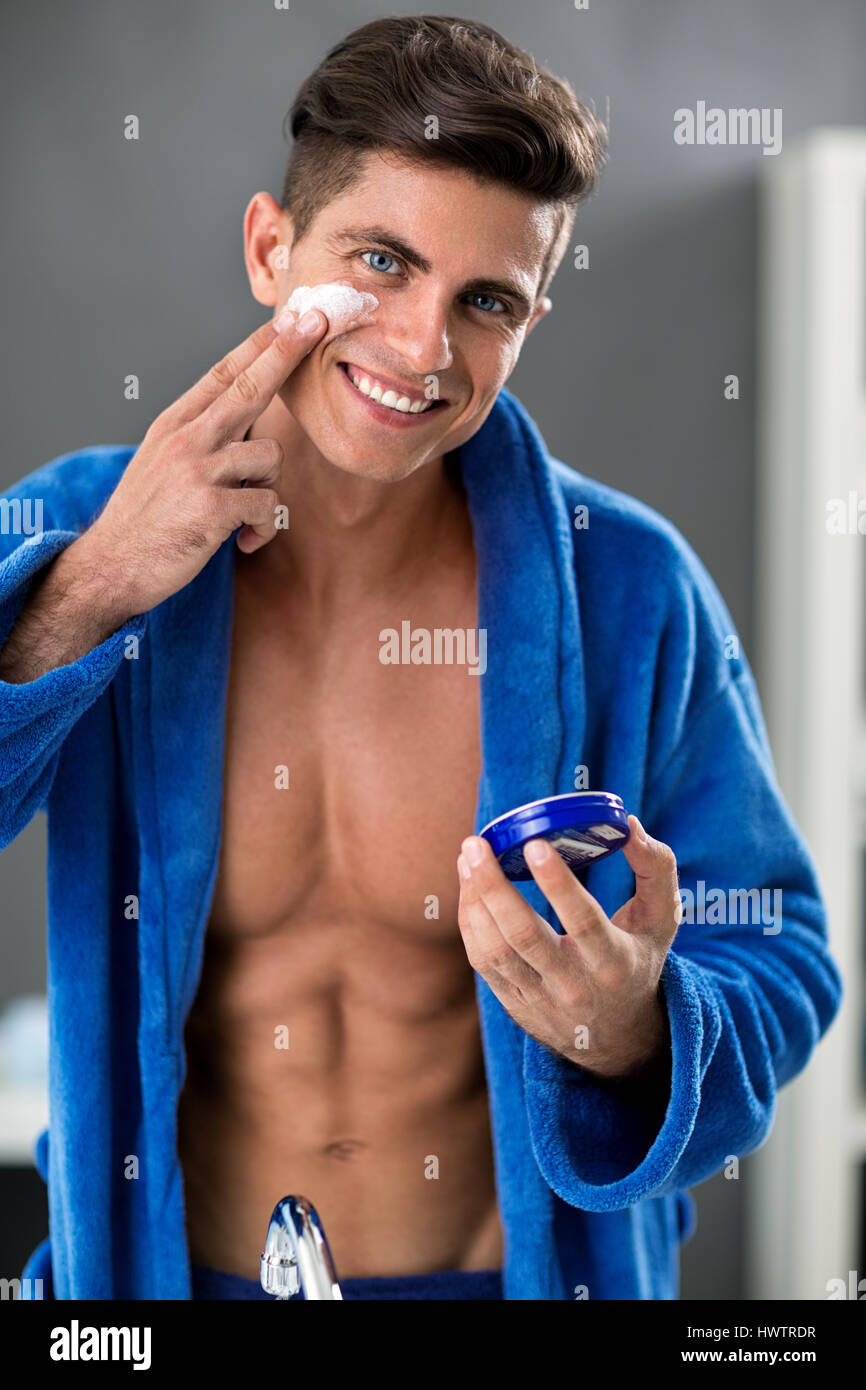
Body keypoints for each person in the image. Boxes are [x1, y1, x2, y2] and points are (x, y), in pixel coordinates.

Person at [2, 15, 841, 1300]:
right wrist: (100, 585)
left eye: (484, 301)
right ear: (270, 247)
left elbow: (778, 946)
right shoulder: (75, 533)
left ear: (531, 318)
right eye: (380, 260)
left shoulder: (626, 581)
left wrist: (633, 1030)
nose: (417, 348)